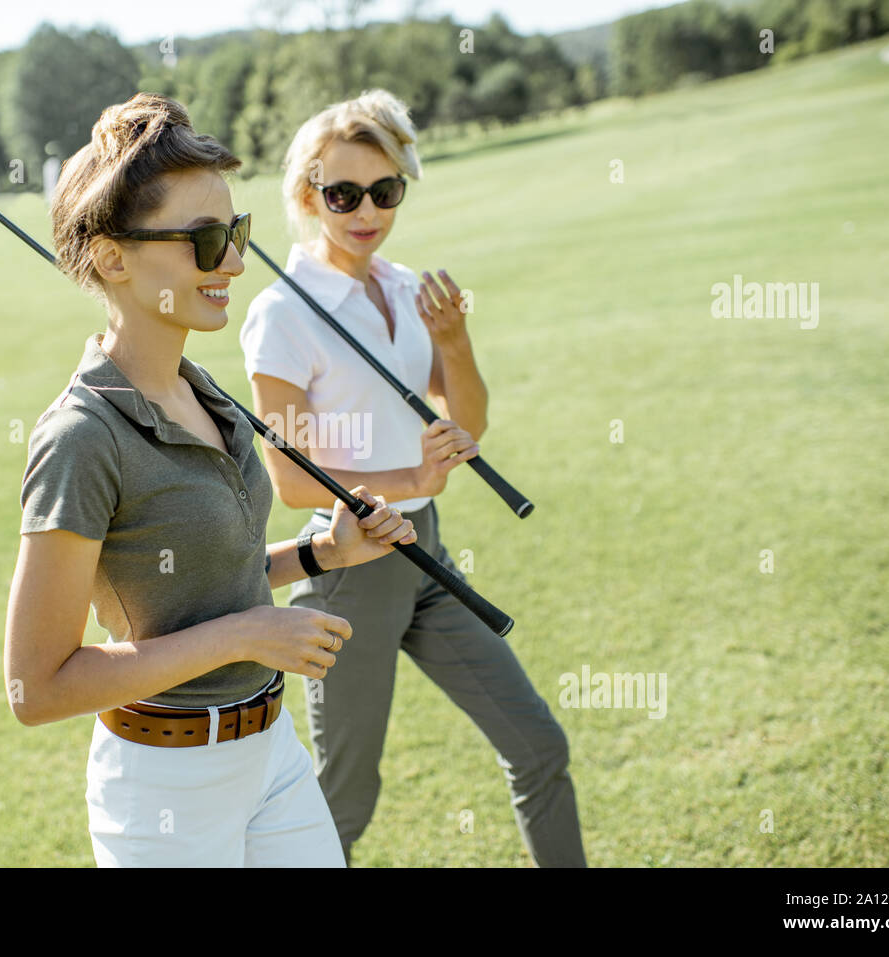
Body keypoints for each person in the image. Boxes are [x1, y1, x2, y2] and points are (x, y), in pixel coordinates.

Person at [3, 92, 418, 868]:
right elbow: (38, 685)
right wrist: (245, 634)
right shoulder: (79, 439)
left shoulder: (207, 393)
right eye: (203, 240)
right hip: (166, 792)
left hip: (273, 754)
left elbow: (201, 585)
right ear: (113, 257)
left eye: (235, 233)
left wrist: (322, 553)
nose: (231, 261)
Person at [240, 89, 587, 867]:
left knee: (538, 744)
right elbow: (290, 480)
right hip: (347, 575)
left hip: (427, 559)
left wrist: (454, 341)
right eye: (343, 194)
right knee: (342, 804)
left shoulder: (403, 288)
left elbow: (469, 423)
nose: (367, 210)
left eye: (386, 190)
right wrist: (409, 471)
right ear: (308, 196)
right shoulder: (280, 313)